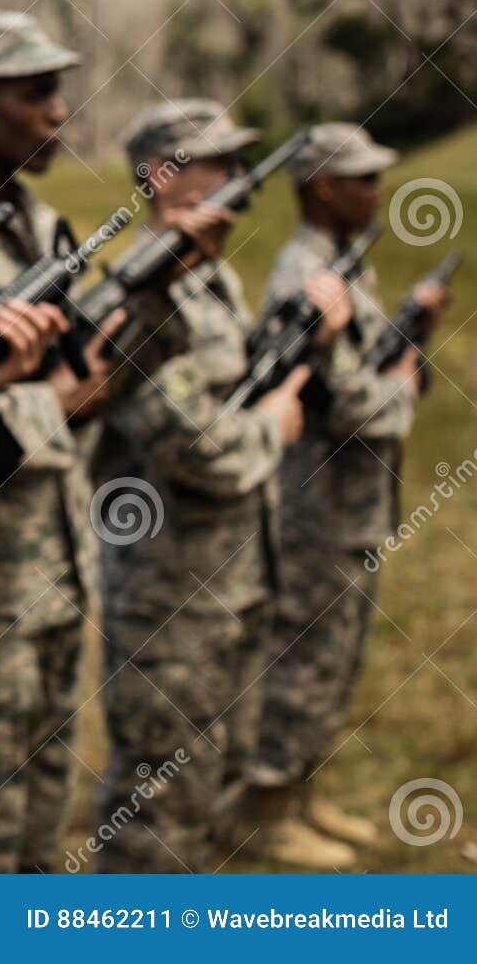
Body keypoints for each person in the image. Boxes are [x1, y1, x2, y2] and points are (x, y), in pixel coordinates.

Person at [0, 11, 194, 872]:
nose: (59, 111)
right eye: (37, 92)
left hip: (51, 570)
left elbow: (84, 388)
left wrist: (159, 293)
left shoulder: (41, 222)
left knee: (41, 832)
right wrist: (36, 394)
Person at [89, 100, 331, 872]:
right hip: (171, 598)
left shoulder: (212, 277)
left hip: (233, 577)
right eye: (215, 163)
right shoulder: (141, 295)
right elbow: (198, 447)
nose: (235, 178)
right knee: (155, 810)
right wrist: (277, 423)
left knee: (210, 786)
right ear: (162, 178)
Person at [247, 123, 448, 867]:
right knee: (303, 654)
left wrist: (411, 341)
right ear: (323, 187)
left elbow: (366, 362)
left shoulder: (344, 265)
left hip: (355, 501)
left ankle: (306, 791)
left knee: (337, 655)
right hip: (316, 503)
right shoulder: (304, 275)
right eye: (363, 178)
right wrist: (399, 390)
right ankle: (267, 808)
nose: (377, 190)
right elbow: (334, 399)